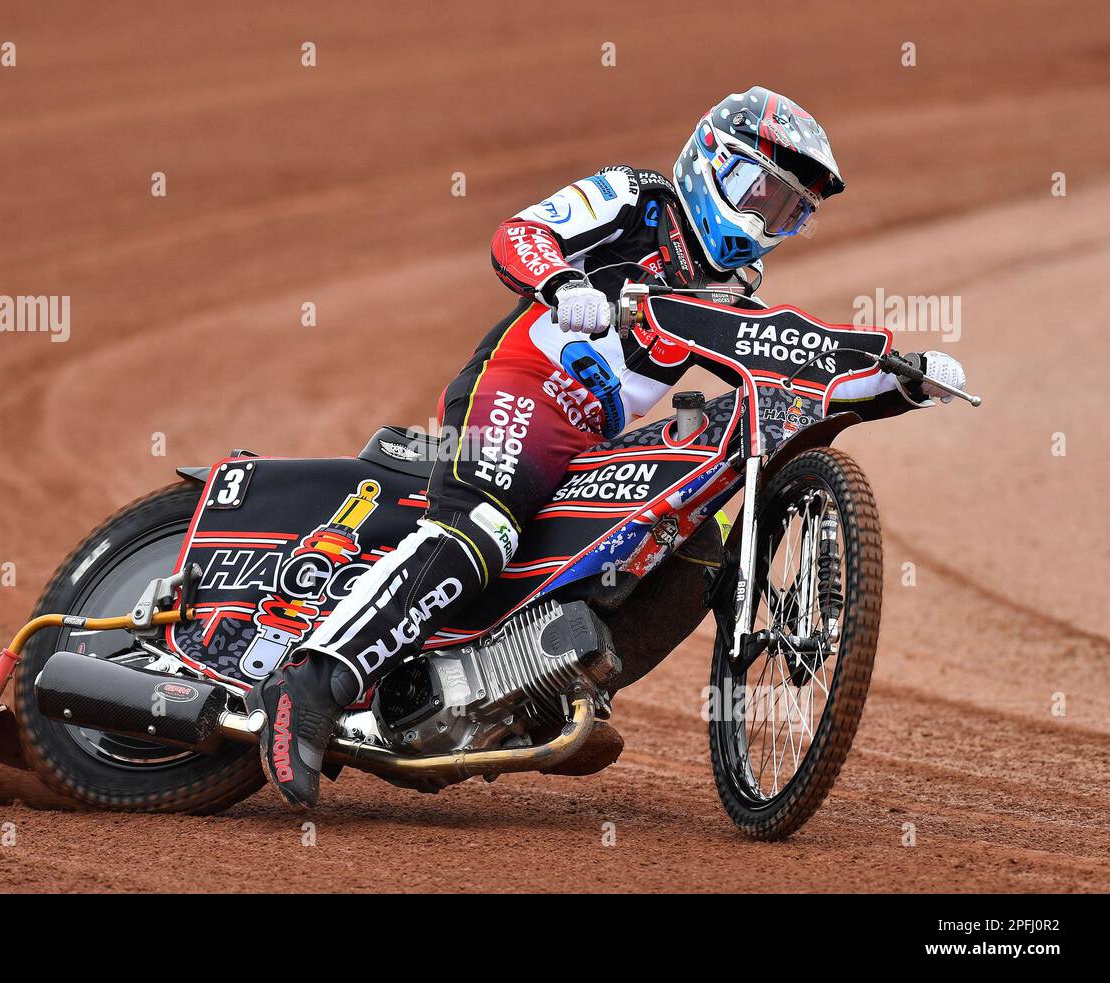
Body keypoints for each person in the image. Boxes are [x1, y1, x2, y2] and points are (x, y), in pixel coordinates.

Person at [246, 86, 966, 810]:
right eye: (760, 193)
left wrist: (904, 377)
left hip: (586, 440)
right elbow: (519, 233)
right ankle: (311, 680)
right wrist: (562, 282)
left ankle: (536, 692)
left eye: (788, 212)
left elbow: (800, 361)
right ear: (711, 161)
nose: (765, 221)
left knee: (692, 534)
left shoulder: (726, 293)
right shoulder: (636, 197)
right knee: (487, 525)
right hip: (517, 388)